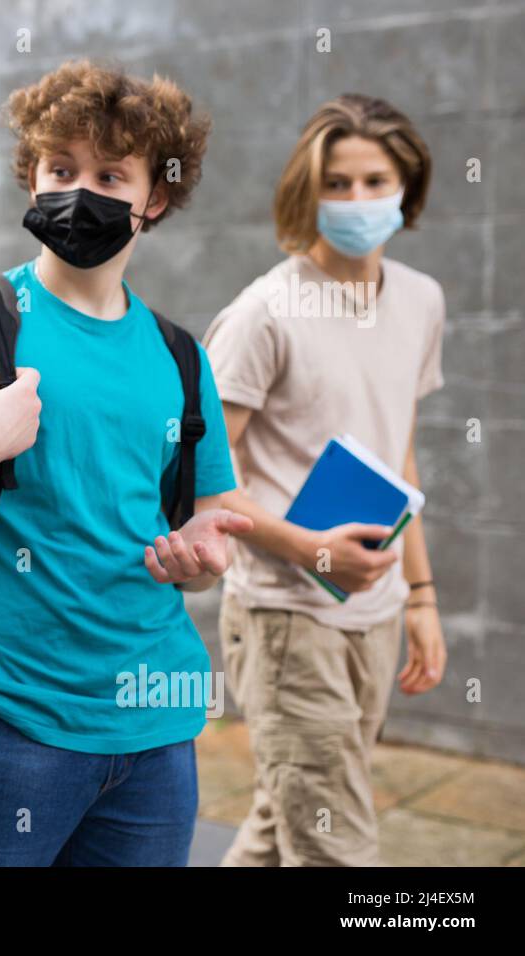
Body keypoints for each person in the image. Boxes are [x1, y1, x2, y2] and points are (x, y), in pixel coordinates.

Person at [0, 61, 252, 867]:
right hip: (4, 718)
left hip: (157, 729)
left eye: (111, 174)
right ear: (31, 175)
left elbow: (212, 521)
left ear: (155, 199)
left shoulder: (181, 356)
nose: (79, 191)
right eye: (60, 169)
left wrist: (201, 559)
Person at [204, 93, 447, 866]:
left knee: (284, 827)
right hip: (285, 622)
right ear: (308, 192)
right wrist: (311, 549)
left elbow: (396, 453)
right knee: (338, 846)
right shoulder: (263, 315)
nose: (356, 200)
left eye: (375, 181)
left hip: (373, 615)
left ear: (407, 187)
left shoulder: (421, 300)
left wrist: (420, 596)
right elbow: (201, 482)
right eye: (337, 184)